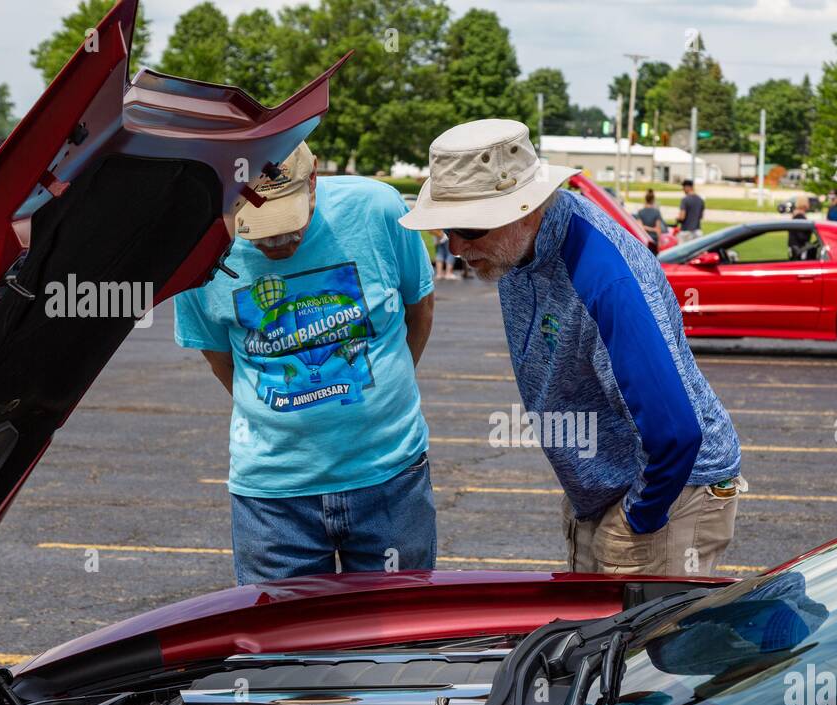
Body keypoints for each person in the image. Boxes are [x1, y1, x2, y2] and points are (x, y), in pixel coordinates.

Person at [401, 119, 744, 576]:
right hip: (605, 487)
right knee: (592, 639)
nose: (456, 246)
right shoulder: (517, 246)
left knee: (645, 646)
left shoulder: (606, 279)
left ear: (525, 208)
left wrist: (638, 518)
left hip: (670, 491)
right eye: (446, 228)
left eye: (469, 227)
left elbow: (676, 431)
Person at [173, 142, 437, 584]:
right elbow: (221, 359)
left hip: (390, 478)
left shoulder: (378, 209)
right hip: (273, 500)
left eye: (289, 224)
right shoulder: (198, 249)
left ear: (313, 178)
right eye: (259, 230)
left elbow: (420, 311)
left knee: (397, 643)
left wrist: (379, 403)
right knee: (278, 649)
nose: (278, 241)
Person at [788, 196, 813, 260]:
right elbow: (801, 234)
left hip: (794, 245)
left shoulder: (796, 214)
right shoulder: (800, 216)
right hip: (799, 247)